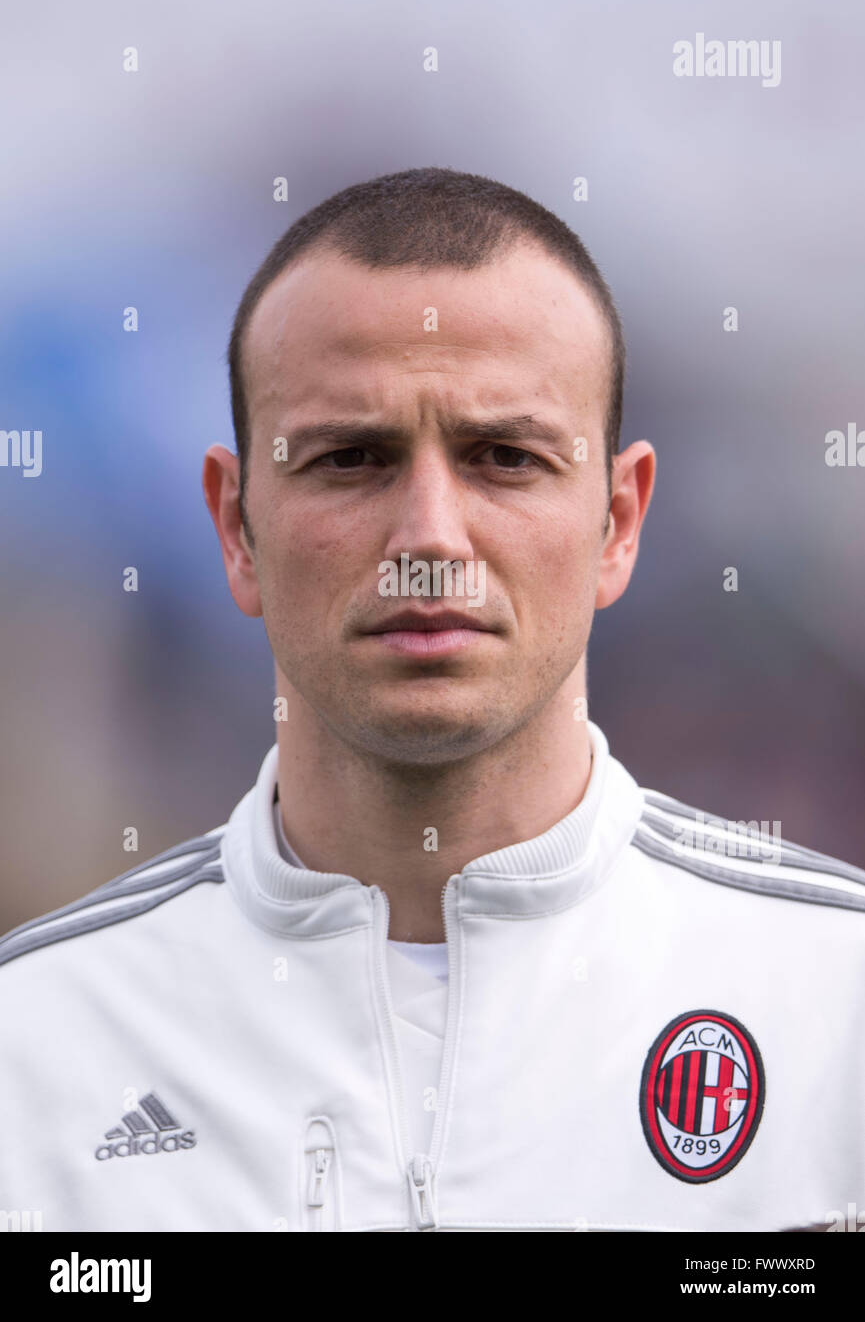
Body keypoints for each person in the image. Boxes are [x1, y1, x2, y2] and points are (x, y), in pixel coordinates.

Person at [1, 168, 862, 1233]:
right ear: (236, 528)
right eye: (350, 459)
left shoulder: (838, 1010)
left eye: (505, 457)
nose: (428, 537)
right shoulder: (32, 1049)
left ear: (619, 521)